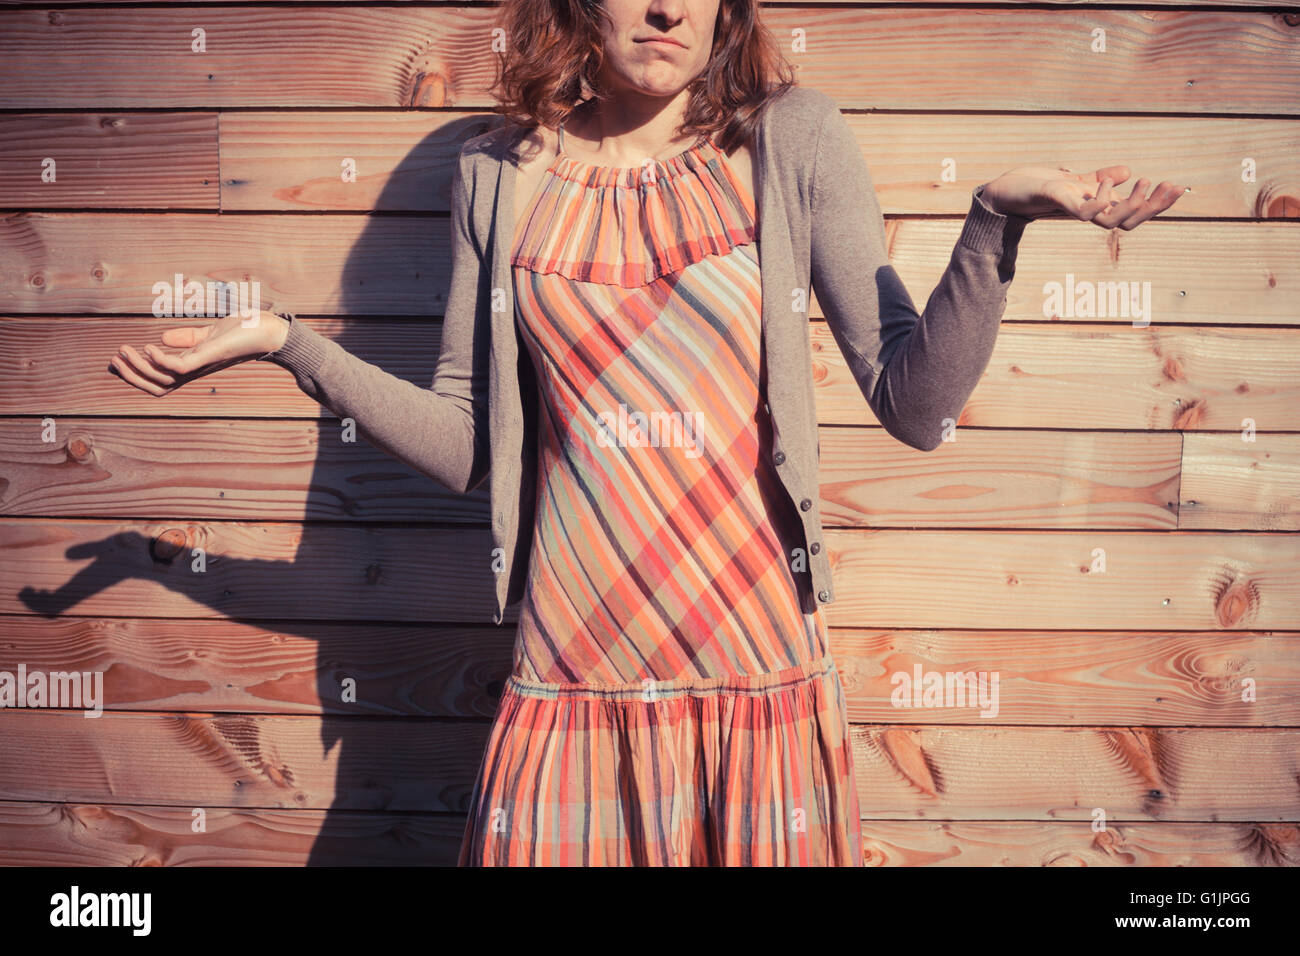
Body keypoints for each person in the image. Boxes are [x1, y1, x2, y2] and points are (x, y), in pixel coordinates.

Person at [109, 0, 1187, 866]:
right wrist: (285, 341)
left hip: (754, 679)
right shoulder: (495, 175)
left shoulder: (792, 141)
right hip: (573, 676)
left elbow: (916, 406)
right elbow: (472, 444)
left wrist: (994, 220)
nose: (666, 8)